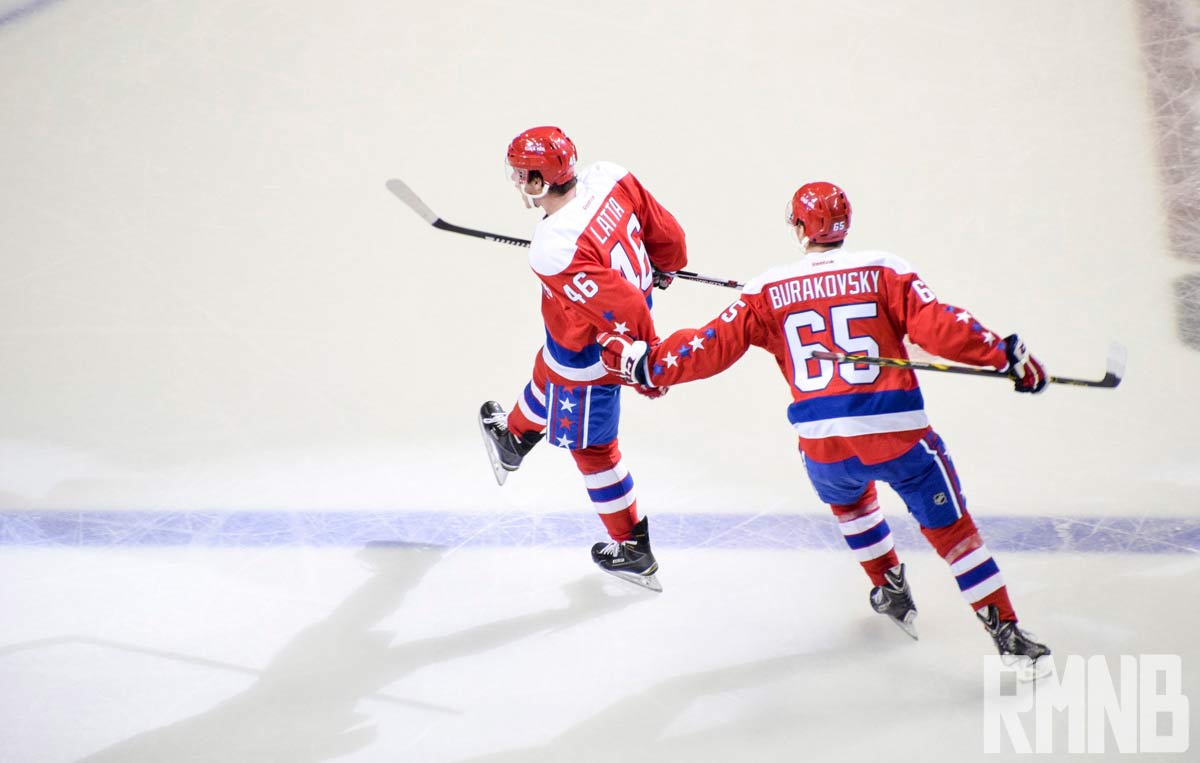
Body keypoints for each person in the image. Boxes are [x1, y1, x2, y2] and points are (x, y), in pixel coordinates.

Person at [597, 181, 1052, 674]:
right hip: (899, 437)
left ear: (798, 227)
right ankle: (1005, 631)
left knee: (853, 504)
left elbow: (708, 346)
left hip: (825, 445)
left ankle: (888, 586)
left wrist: (652, 365)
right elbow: (939, 326)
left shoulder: (767, 289)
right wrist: (1003, 353)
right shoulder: (884, 269)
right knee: (954, 533)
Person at [478, 126, 688, 592]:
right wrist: (666, 266)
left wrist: (647, 359)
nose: (517, 182)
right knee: (545, 369)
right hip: (574, 333)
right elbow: (668, 234)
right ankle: (514, 436)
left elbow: (628, 310)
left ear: (537, 182)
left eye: (520, 175)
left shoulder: (554, 248)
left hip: (595, 350)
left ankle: (632, 547)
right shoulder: (611, 176)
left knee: (591, 447)